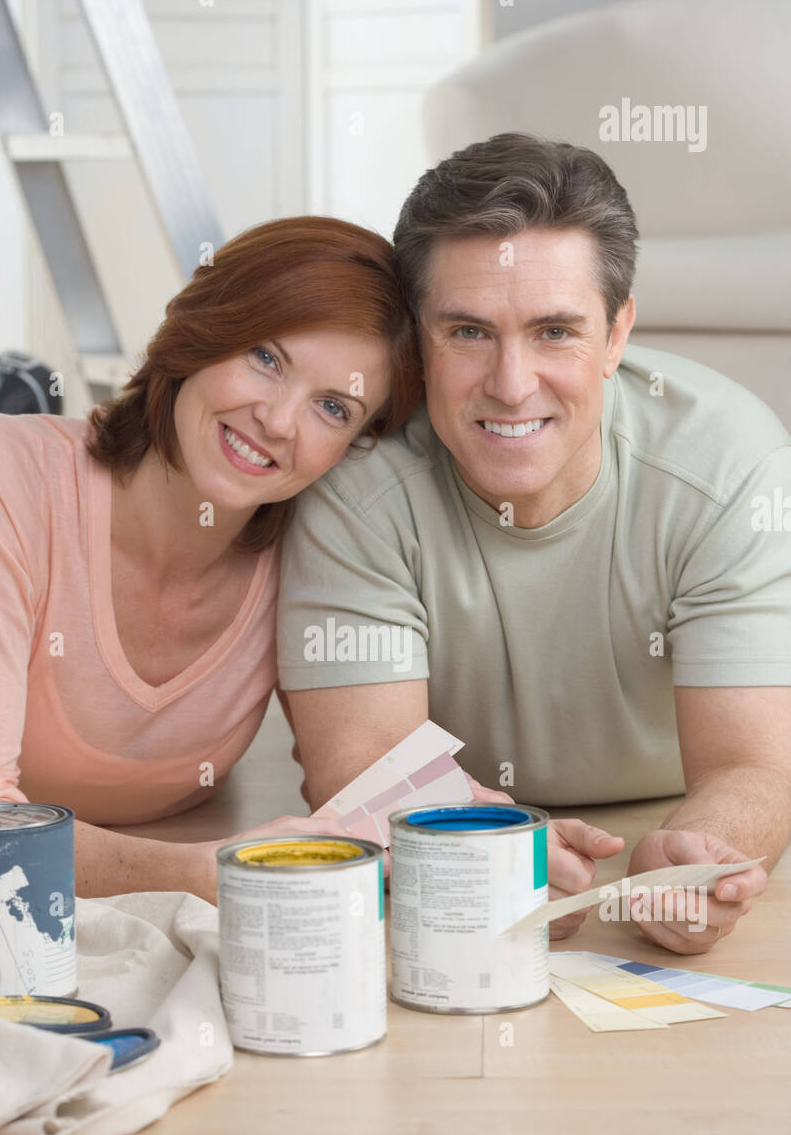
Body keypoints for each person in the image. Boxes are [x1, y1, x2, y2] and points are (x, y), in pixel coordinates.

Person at [277, 134, 791, 954]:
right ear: (416, 338)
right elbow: (364, 761)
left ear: (619, 333)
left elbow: (752, 765)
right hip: (458, 810)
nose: (512, 384)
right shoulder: (358, 483)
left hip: (652, 817)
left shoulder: (729, 465)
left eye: (556, 331)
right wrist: (487, 850)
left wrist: (699, 854)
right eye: (469, 332)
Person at [0, 216, 422, 903]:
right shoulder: (0, 469)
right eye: (267, 358)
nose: (278, 421)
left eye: (333, 408)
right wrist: (190, 871)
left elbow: (370, 764)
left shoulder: (312, 545)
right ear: (205, 328)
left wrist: (506, 848)